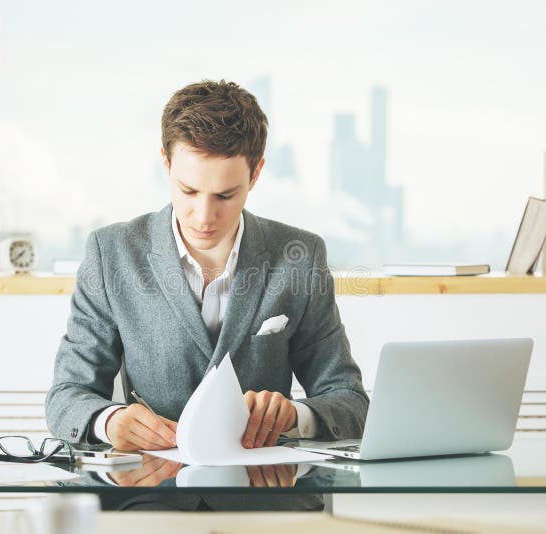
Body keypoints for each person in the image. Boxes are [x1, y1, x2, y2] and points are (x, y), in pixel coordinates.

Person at [45, 79, 368, 455]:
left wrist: (296, 415)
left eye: (225, 195)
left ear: (257, 174)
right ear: (166, 164)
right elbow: (67, 396)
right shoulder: (111, 253)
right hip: (152, 496)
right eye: (189, 190)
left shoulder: (301, 256)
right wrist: (109, 421)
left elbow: (350, 402)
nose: (204, 216)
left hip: (265, 496)